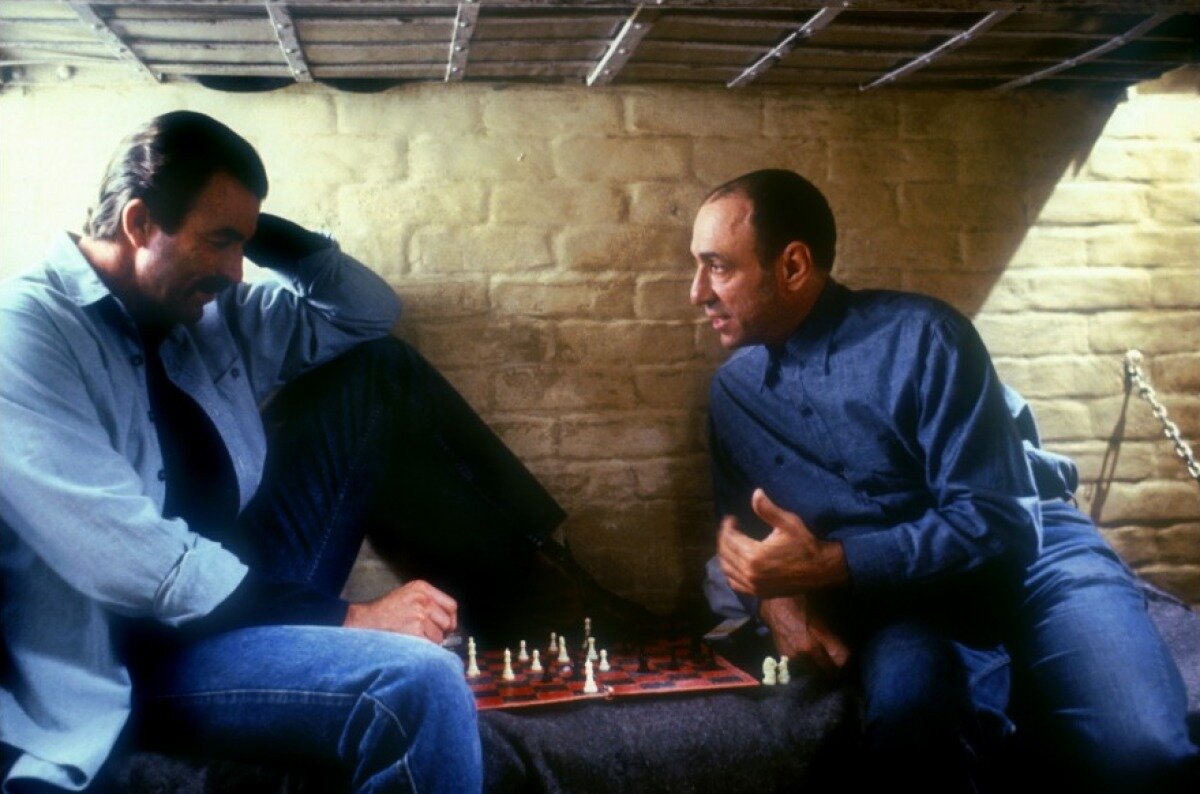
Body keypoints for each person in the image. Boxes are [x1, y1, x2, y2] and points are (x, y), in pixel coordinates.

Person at [0, 111, 569, 793]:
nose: (236, 272)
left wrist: (256, 229)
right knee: (419, 683)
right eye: (219, 242)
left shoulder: (202, 314)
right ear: (140, 222)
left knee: (378, 369)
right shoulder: (25, 333)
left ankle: (539, 588)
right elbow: (136, 563)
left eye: (242, 246)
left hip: (239, 589)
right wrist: (352, 618)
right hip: (139, 652)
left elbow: (365, 312)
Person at [691, 169, 1196, 791]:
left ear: (793, 266)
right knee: (911, 735)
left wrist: (829, 564)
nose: (696, 293)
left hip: (1037, 558)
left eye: (717, 267)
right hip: (905, 601)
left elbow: (1000, 522)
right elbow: (740, 544)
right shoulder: (733, 396)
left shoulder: (926, 335)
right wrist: (776, 601)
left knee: (1143, 752)